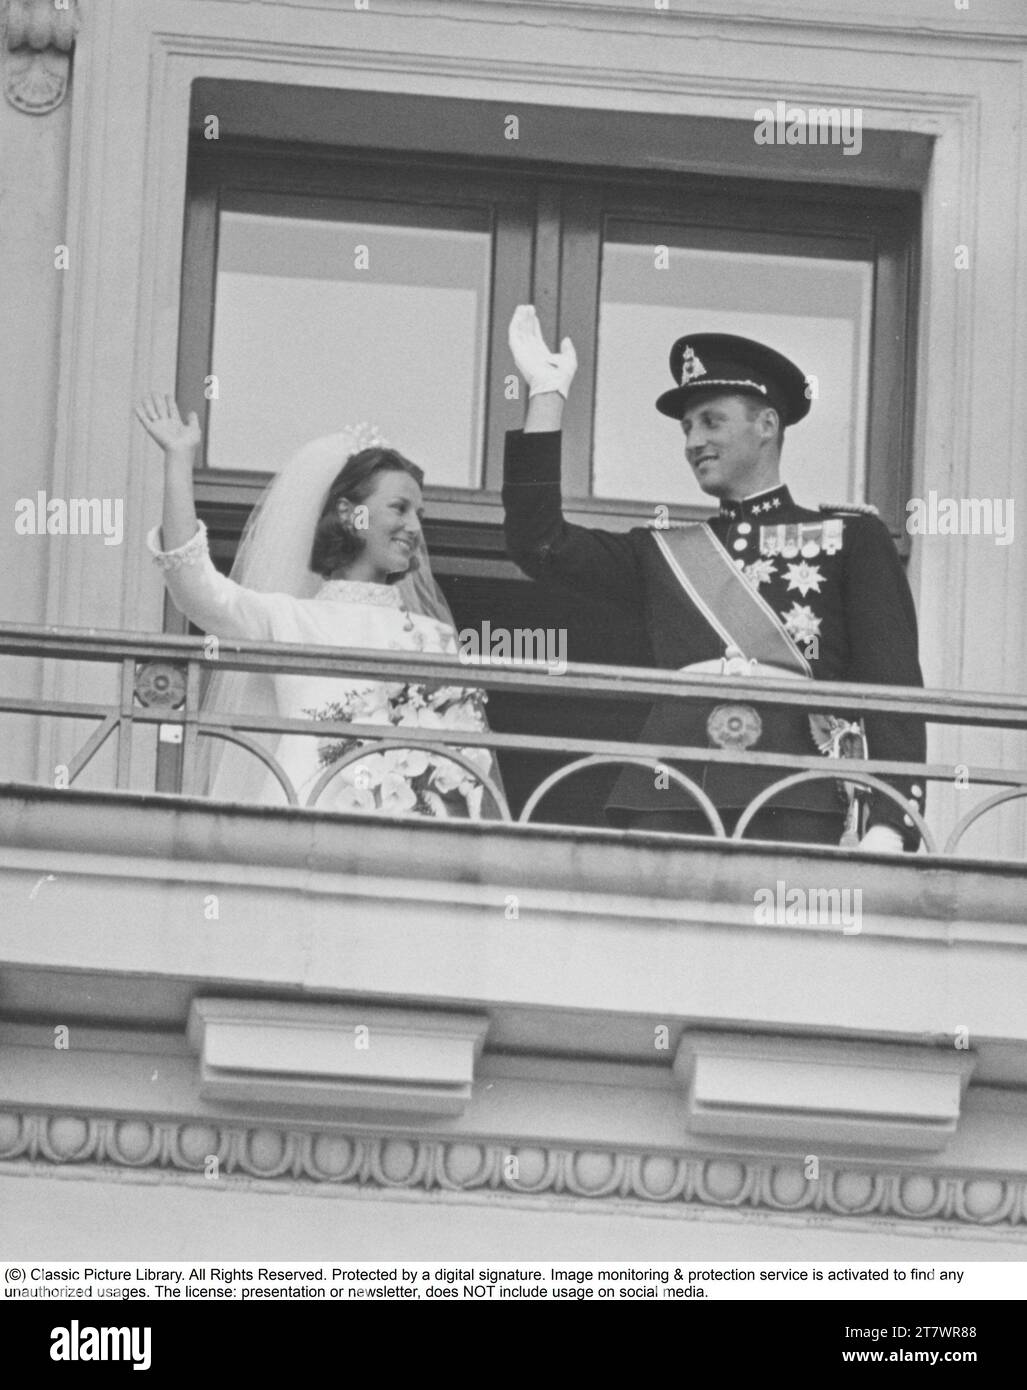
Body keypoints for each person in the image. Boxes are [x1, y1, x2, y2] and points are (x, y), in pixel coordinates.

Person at [501, 306, 926, 851]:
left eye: (711, 421)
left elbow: (892, 685)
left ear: (767, 424)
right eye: (686, 427)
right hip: (669, 792)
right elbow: (538, 544)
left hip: (796, 791)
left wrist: (892, 822)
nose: (692, 441)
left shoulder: (850, 537)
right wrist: (545, 397)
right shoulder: (666, 553)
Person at [136, 393, 502, 819]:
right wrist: (179, 462)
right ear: (350, 515)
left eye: (420, 513)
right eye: (399, 508)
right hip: (297, 824)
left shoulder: (435, 638)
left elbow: (469, 770)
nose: (415, 527)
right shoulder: (288, 620)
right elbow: (192, 586)